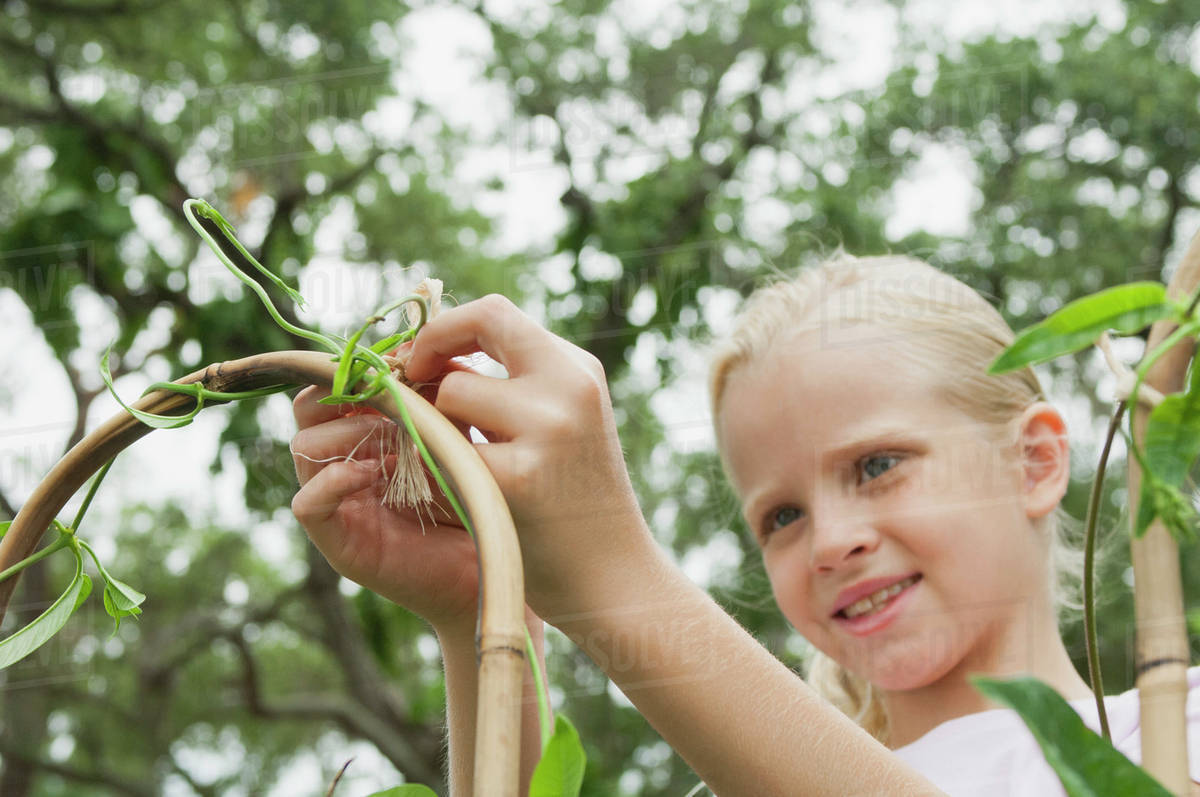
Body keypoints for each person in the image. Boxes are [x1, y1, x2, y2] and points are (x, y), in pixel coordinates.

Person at [290, 254, 1199, 796]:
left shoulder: (1175, 726)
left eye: (877, 465)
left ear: (1034, 461)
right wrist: (487, 608)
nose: (833, 539)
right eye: (783, 516)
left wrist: (612, 579)